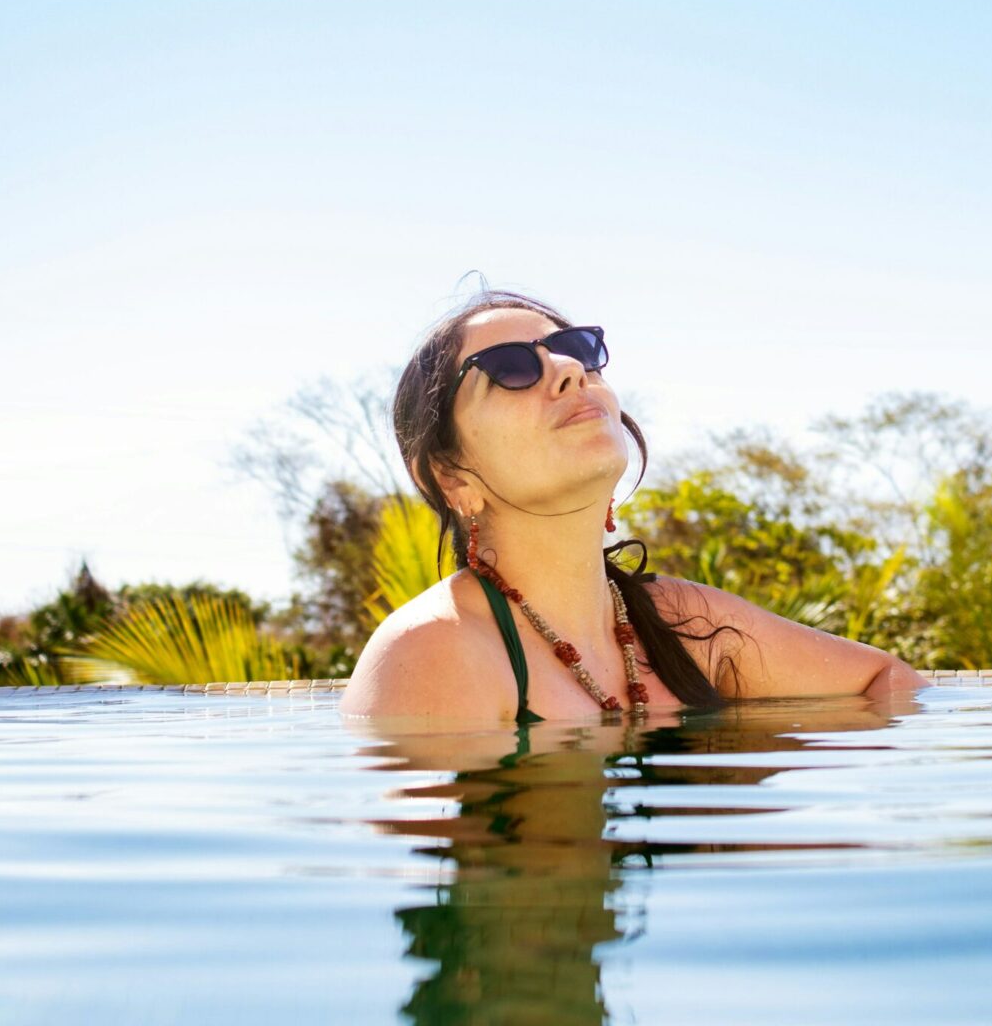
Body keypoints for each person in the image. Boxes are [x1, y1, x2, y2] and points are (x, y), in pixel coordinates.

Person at [338, 287, 930, 723]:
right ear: (450, 477)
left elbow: (890, 679)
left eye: (576, 348)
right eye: (511, 367)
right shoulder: (435, 653)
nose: (569, 369)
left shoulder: (683, 624)